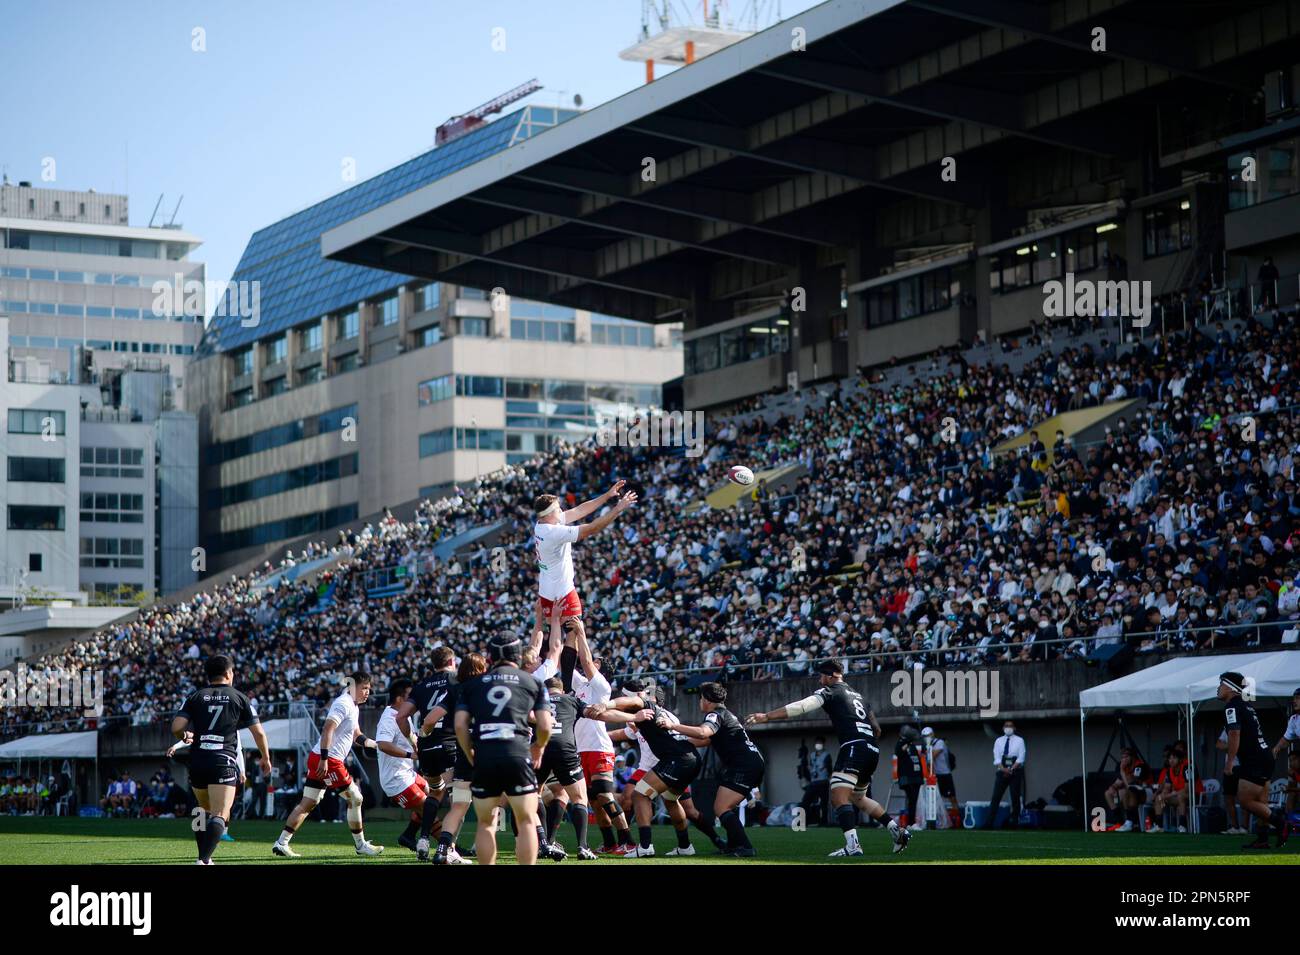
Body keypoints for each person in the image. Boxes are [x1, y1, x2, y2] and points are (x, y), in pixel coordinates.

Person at [746, 659, 909, 856]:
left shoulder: (831, 691)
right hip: (871, 749)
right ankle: (897, 831)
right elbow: (877, 728)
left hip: (853, 747)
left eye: (822, 675)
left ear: (831, 676)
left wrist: (767, 716)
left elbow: (803, 706)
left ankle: (853, 846)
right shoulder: (860, 696)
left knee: (838, 795)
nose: (820, 680)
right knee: (859, 797)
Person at [454, 631, 553, 865]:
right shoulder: (533, 682)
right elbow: (545, 724)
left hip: (485, 756)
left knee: (486, 823)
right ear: (518, 655)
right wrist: (539, 747)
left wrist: (470, 754)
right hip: (517, 753)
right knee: (527, 820)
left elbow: (460, 725)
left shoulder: (472, 685)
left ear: (489, 657)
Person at [170, 654, 271, 864]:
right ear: (228, 673)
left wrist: (184, 736)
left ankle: (202, 857)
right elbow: (259, 733)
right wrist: (265, 758)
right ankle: (204, 860)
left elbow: (177, 727)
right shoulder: (240, 697)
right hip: (222, 759)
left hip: (197, 759)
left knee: (201, 809)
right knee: (220, 814)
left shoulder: (195, 696)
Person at [274, 671, 383, 858]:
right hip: (329, 759)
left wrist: (374, 744)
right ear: (352, 687)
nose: (368, 692)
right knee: (355, 798)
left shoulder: (353, 705)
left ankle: (281, 842)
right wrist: (325, 759)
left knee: (308, 803)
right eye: (364, 688)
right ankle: (360, 845)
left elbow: (356, 735)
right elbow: (327, 730)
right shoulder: (343, 703)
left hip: (321, 757)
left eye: (369, 688)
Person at [655, 682, 765, 857]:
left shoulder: (714, 715)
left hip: (744, 765)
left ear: (706, 700)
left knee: (721, 808)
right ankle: (734, 845)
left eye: (700, 698)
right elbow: (705, 740)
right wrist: (676, 741)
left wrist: (672, 726)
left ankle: (745, 848)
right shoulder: (724, 713)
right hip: (747, 763)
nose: (700, 701)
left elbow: (702, 733)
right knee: (722, 807)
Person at [570, 621, 637, 854]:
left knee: (605, 795)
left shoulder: (601, 686)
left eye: (597, 663)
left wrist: (581, 632)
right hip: (582, 750)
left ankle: (628, 841)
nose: (590, 664)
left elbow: (586, 661)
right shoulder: (582, 687)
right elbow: (570, 664)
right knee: (594, 801)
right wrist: (569, 634)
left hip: (599, 748)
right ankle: (609, 844)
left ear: (602, 671)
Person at [532, 482, 637, 623]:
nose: (562, 510)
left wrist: (607, 496)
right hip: (563, 590)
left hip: (546, 590)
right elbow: (592, 528)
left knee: (554, 635)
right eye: (558, 508)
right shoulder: (554, 532)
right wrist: (618, 508)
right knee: (572, 637)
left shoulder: (542, 525)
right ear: (549, 513)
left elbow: (579, 511)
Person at [421, 652, 486, 865]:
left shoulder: (455, 691)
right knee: (495, 807)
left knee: (458, 805)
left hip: (463, 755)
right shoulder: (487, 687)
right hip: (489, 753)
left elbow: (430, 719)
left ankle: (443, 850)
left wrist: (424, 733)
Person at [395, 646, 457, 861]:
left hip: (426, 746)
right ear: (451, 662)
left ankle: (423, 839)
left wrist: (413, 741)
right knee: (459, 797)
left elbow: (401, 716)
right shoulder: (457, 680)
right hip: (451, 744)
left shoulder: (421, 686)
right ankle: (450, 849)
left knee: (435, 792)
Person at [1219, 671, 1289, 849]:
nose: (1218, 688)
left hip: (1254, 759)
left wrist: (1229, 762)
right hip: (1264, 756)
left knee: (1245, 801)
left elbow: (1234, 734)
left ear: (1230, 688)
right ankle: (1263, 839)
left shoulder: (1232, 707)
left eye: (1221, 684)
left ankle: (1281, 823)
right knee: (1261, 801)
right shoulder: (1247, 705)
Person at [374, 678, 430, 853]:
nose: (414, 700)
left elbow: (411, 738)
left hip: (407, 773)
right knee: (429, 809)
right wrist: (410, 754)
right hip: (395, 779)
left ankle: (408, 835)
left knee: (431, 792)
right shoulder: (389, 718)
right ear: (399, 699)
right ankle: (450, 847)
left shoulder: (404, 715)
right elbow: (382, 744)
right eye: (410, 696)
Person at [981, 720, 1025, 830]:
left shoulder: (1020, 741)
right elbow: (996, 757)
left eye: (1010, 726)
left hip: (1015, 772)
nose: (1008, 728)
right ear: (1003, 728)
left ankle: (1015, 822)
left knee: (1015, 798)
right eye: (1006, 726)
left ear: (1014, 728)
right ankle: (989, 823)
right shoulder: (999, 741)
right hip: (1002, 772)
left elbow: (1021, 757)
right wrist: (1003, 769)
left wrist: (1011, 769)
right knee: (996, 797)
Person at [921, 726, 961, 829]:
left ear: (932, 734)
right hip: (936, 775)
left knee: (951, 797)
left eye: (928, 735)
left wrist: (927, 751)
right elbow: (926, 760)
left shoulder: (939, 743)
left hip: (945, 774)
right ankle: (942, 819)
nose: (927, 737)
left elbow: (932, 756)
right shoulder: (926, 745)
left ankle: (957, 820)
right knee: (938, 798)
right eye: (924, 736)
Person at [1102, 746, 1149, 832]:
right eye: (1122, 757)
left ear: (1132, 757)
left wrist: (1122, 771)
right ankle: (1119, 822)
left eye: (1126, 757)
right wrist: (1112, 788)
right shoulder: (1126, 767)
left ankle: (1130, 822)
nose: (1123, 759)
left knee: (1125, 791)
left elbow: (1131, 782)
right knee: (1108, 793)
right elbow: (1119, 782)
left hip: (1147, 792)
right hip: (1134, 792)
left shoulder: (1139, 765)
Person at [1271, 688, 1300, 819]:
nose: (1295, 701)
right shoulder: (1294, 719)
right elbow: (1286, 739)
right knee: (1292, 784)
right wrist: (1276, 747)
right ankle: (1290, 822)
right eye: (1294, 698)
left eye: (1298, 698)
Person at [894, 725, 924, 830]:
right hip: (907, 776)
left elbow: (919, 757)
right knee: (911, 799)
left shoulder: (912, 745)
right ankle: (911, 823)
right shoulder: (901, 743)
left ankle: (911, 823)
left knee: (914, 800)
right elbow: (899, 753)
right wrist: (907, 742)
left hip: (916, 776)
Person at [800, 736, 832, 826]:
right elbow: (810, 766)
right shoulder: (812, 755)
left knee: (823, 803)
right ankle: (803, 821)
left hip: (823, 781)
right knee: (805, 801)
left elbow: (829, 768)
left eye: (820, 743)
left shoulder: (826, 755)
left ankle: (824, 822)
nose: (818, 745)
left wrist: (830, 779)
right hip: (813, 782)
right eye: (817, 743)